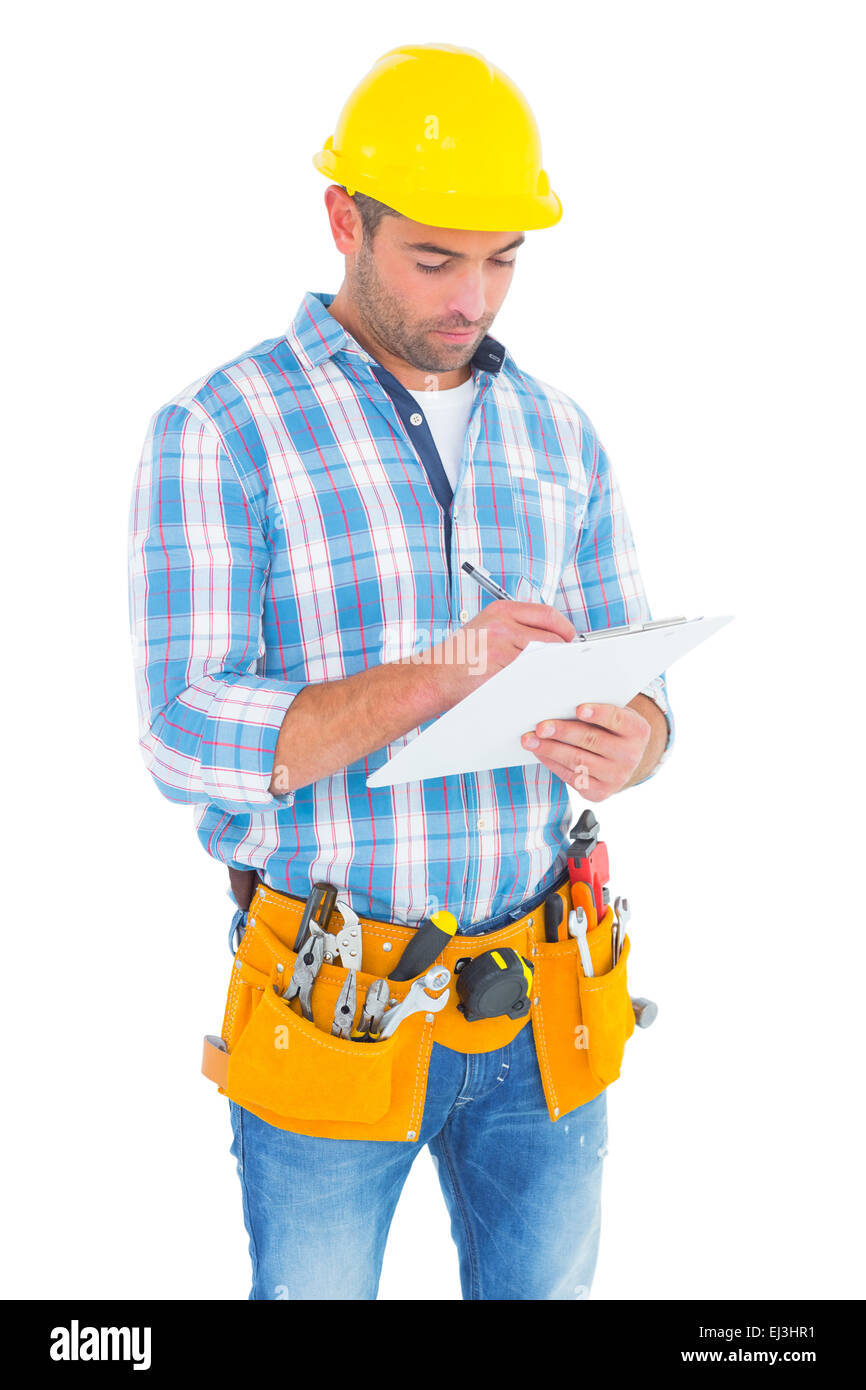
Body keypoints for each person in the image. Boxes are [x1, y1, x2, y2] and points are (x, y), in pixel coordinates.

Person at [128, 42, 674, 1301]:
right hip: (335, 997)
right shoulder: (222, 427)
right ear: (343, 221)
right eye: (434, 256)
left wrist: (635, 737)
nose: (471, 296)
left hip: (545, 996)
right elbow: (183, 733)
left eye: (500, 259)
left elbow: (635, 682)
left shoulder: (558, 431)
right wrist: (439, 674)